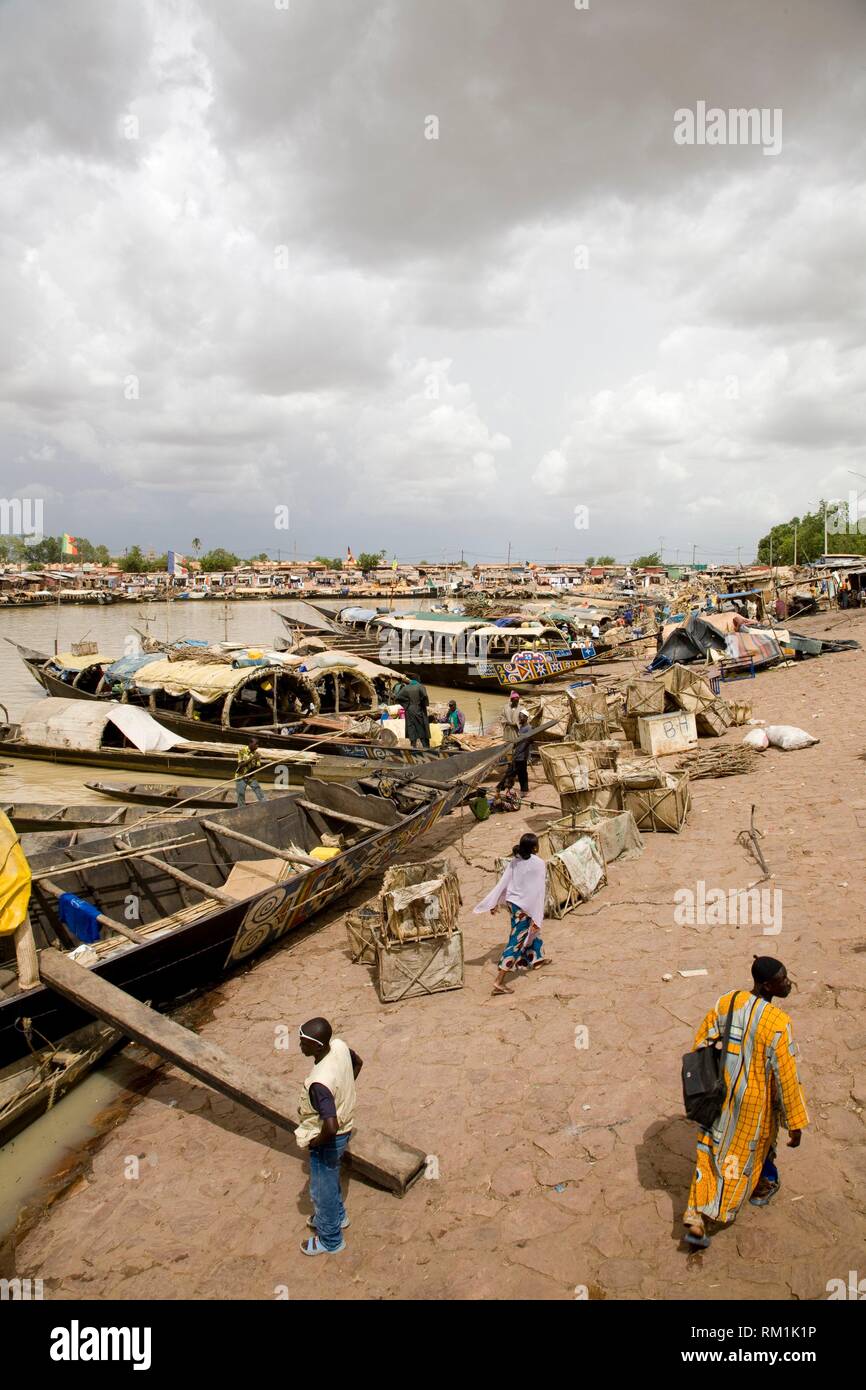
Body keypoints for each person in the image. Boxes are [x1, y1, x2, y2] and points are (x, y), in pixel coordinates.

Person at [683, 957, 808, 1250]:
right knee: (741, 1159)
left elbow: (702, 1041)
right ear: (767, 986)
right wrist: (795, 1123)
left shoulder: (728, 1002)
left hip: (720, 1096)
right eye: (782, 980)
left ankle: (695, 1212)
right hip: (755, 1105)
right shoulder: (778, 1024)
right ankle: (724, 1208)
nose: (788, 983)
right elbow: (787, 1078)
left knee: (711, 1150)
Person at [295, 1017, 363, 1256]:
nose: (299, 1046)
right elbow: (358, 1062)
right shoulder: (339, 1047)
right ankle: (338, 1216)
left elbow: (331, 1126)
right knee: (330, 1177)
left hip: (330, 1137)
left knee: (321, 1191)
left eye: (303, 1043)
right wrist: (344, 1090)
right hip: (346, 1126)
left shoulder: (320, 1083)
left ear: (317, 1045)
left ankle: (331, 1239)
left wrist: (316, 1142)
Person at [474, 832, 550, 996]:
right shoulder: (538, 864)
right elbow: (538, 891)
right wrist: (537, 915)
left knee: (530, 933)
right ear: (534, 848)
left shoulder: (515, 861)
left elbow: (504, 882)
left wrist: (496, 901)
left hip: (514, 905)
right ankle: (499, 981)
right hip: (525, 907)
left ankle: (536, 959)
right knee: (516, 941)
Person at [498, 710, 531, 793]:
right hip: (518, 753)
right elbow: (519, 741)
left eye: (521, 717)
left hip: (521, 755)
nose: (519, 718)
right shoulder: (522, 727)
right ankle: (524, 790)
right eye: (519, 717)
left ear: (526, 718)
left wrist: (523, 753)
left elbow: (529, 742)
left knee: (511, 772)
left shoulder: (529, 728)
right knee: (522, 773)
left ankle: (499, 788)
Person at [395, 678, 430, 748]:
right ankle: (425, 746)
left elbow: (398, 697)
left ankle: (413, 745)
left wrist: (406, 704)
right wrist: (423, 704)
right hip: (418, 709)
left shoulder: (406, 688)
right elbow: (425, 696)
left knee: (411, 727)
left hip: (409, 710)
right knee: (421, 727)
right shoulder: (420, 686)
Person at [235, 737, 265, 805]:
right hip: (240, 776)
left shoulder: (257, 754)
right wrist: (252, 758)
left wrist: (249, 773)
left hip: (251, 776)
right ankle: (241, 808)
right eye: (256, 744)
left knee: (258, 791)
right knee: (240, 794)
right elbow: (240, 765)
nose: (257, 746)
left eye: (258, 744)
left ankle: (265, 805)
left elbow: (257, 766)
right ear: (250, 743)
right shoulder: (242, 751)